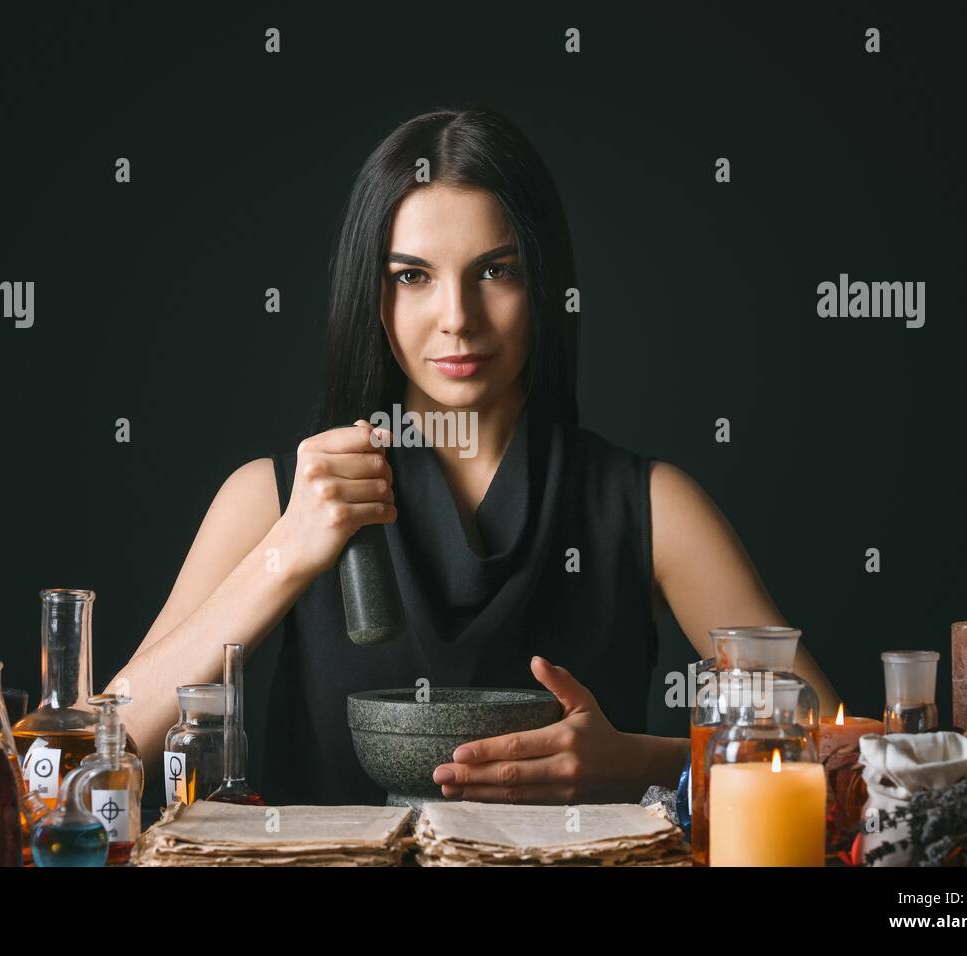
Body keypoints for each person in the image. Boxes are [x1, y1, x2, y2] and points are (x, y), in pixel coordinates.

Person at [109, 106, 839, 805]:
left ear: (544, 283)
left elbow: (841, 756)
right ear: (372, 295)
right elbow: (93, 752)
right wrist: (288, 553)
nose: (456, 318)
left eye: (495, 271)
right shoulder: (271, 497)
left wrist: (647, 763)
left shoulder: (650, 504)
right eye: (412, 276)